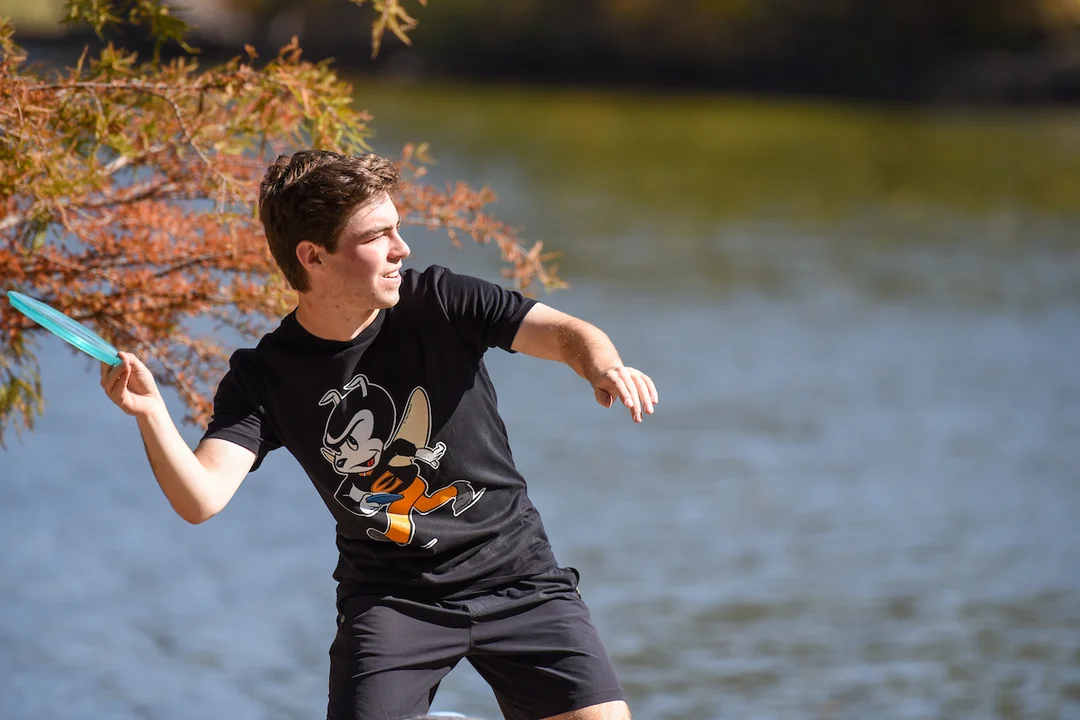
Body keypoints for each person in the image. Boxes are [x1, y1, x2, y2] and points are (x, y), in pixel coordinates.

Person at [101, 150, 658, 720]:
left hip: (518, 578)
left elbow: (565, 332)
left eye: (398, 228)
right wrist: (151, 413)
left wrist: (602, 365)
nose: (402, 247)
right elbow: (201, 497)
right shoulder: (266, 376)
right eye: (379, 235)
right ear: (313, 256)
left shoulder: (440, 301)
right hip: (395, 601)